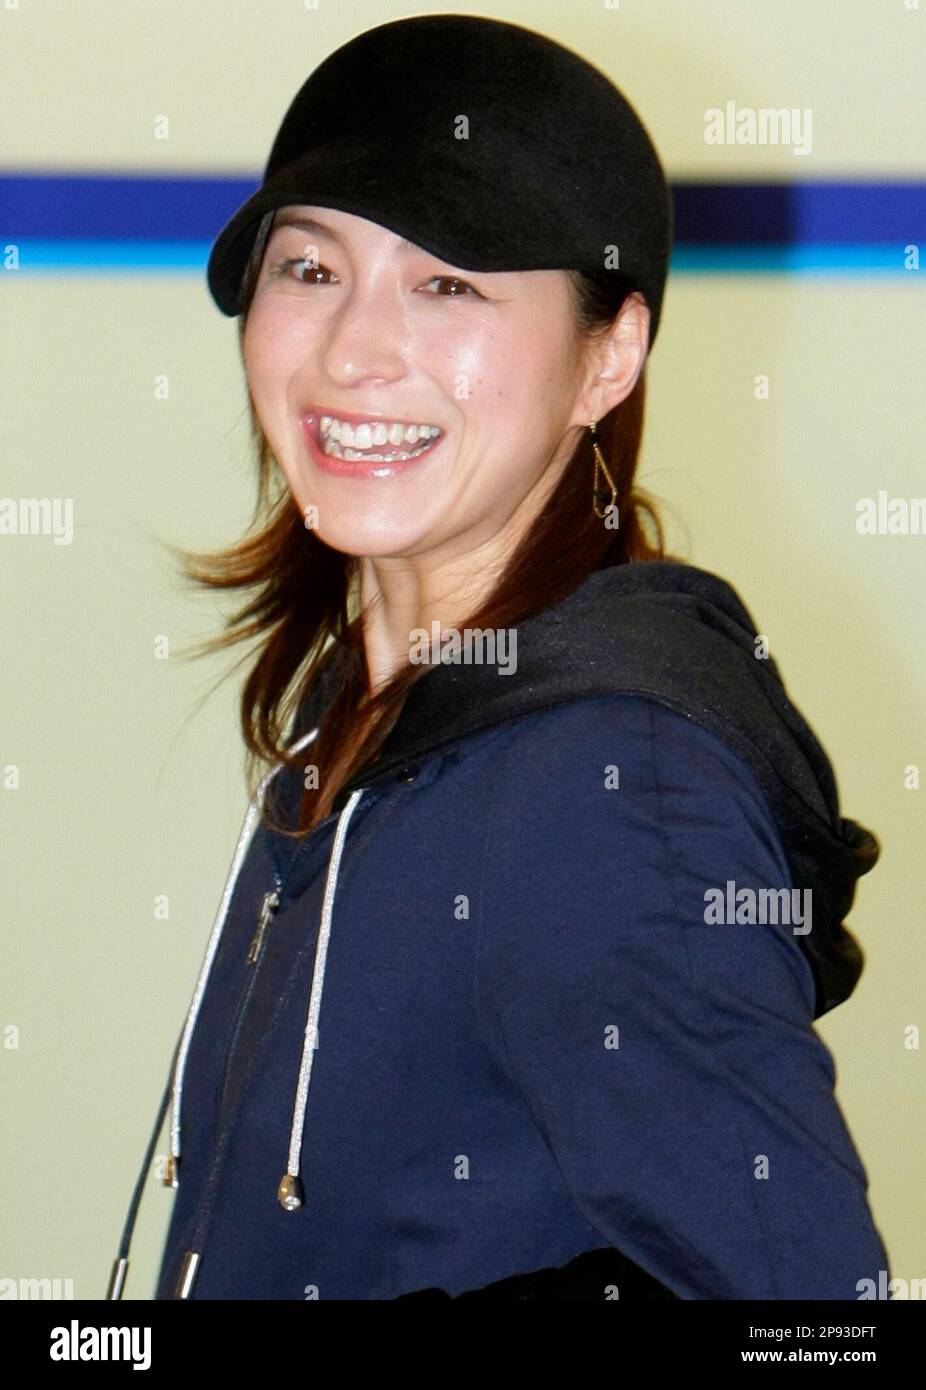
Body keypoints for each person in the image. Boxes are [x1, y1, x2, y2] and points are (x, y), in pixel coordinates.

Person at [108, 13, 890, 1301]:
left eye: (450, 284)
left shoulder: (607, 786)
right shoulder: (363, 712)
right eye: (311, 271)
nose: (353, 352)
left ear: (609, 355)